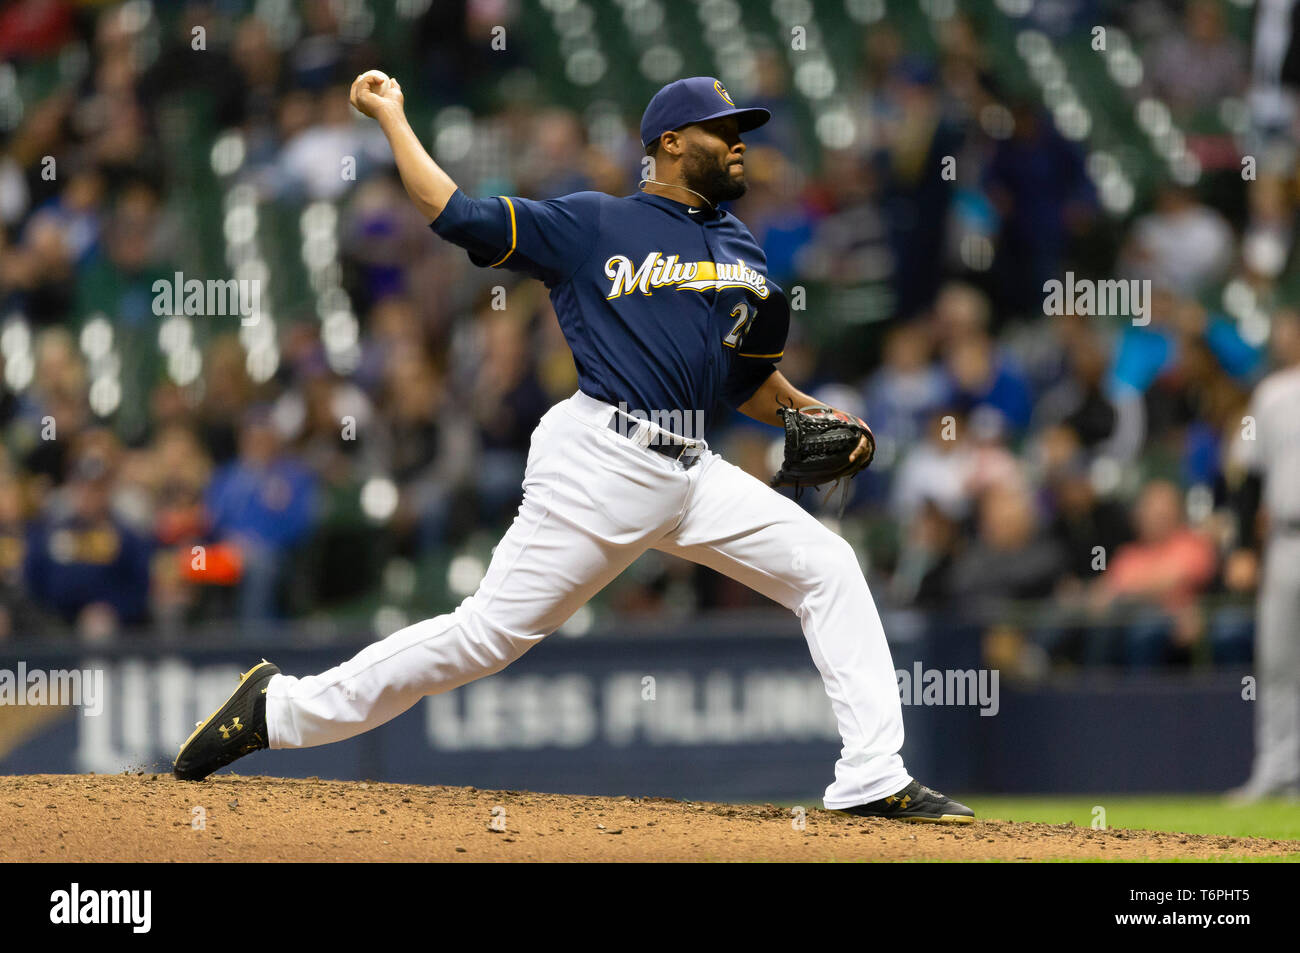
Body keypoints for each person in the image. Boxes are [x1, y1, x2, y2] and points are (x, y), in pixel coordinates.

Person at [172, 74, 974, 824]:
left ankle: (872, 775)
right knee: (486, 635)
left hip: (694, 470)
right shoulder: (594, 222)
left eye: (743, 131)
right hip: (604, 457)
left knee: (827, 567)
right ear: (665, 142)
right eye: (721, 129)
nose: (739, 142)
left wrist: (810, 410)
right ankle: (276, 708)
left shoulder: (743, 250)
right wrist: (392, 119)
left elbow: (743, 381)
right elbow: (455, 213)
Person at [1225, 310, 1300, 801]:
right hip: (1287, 539)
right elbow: (1247, 476)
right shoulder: (1272, 393)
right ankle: (1277, 772)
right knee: (1277, 661)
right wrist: (1242, 549)